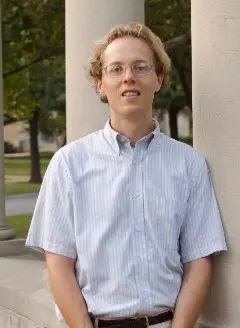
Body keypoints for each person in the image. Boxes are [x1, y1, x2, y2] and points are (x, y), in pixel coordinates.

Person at [25, 22, 227, 328]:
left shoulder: (190, 166)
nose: (128, 77)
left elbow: (198, 262)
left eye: (140, 67)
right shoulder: (68, 164)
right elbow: (58, 265)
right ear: (100, 83)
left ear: (159, 78)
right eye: (116, 69)